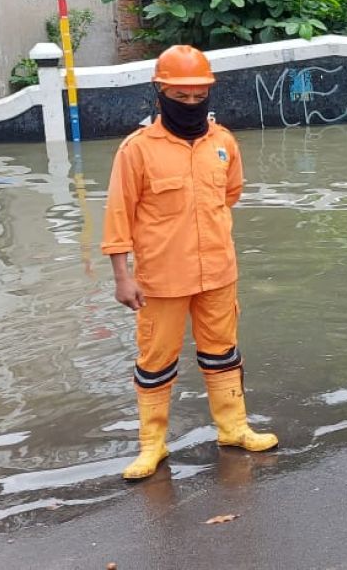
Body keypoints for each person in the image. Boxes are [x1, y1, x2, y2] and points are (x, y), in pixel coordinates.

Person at [102, 45, 277, 480]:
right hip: (161, 279)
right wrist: (123, 278)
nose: (192, 104)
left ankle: (233, 428)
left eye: (200, 96)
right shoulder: (137, 150)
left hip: (217, 271)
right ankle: (152, 444)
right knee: (155, 360)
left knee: (222, 353)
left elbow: (230, 194)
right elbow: (118, 215)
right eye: (181, 97)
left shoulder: (223, 143)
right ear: (160, 93)